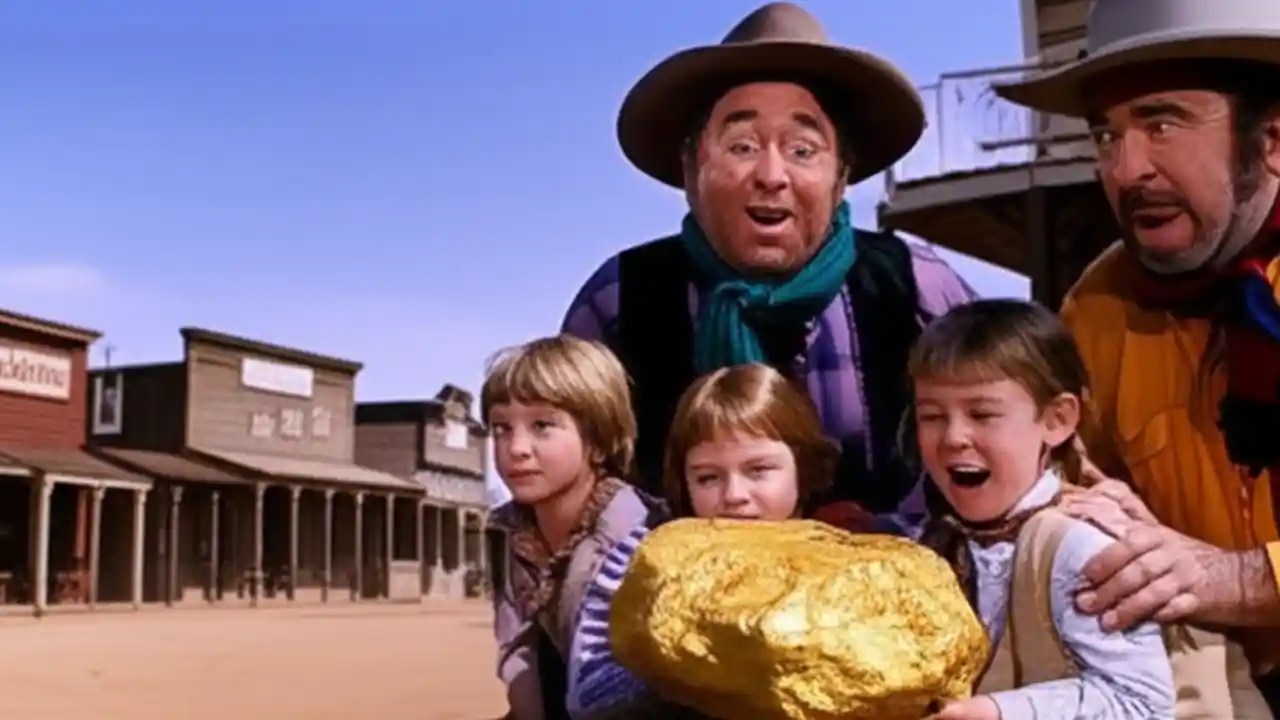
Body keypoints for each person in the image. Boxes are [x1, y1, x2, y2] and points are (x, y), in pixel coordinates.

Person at [561, 2, 976, 534]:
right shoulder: (620, 299)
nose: (772, 175)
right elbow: (566, 486)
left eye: (803, 150)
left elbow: (1012, 437)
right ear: (691, 168)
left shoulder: (917, 286)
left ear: (841, 176)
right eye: (742, 146)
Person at [993, 0, 1280, 706]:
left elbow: (1204, 576)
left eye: (1162, 124)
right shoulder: (1096, 313)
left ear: (1273, 141)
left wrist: (1232, 578)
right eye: (1105, 136)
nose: (1126, 170)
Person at [912, 300, 1175, 720]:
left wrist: (999, 712)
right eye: (932, 416)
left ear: (1056, 420)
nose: (954, 436)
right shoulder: (935, 541)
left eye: (982, 414)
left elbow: (1142, 703)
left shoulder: (1080, 548)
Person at [564, 363, 838, 718]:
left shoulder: (846, 558)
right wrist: (695, 662)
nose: (734, 495)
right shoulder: (641, 560)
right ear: (684, 482)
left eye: (758, 470)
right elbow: (590, 694)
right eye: (709, 478)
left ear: (803, 466)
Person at [484, 335, 666, 720]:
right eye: (501, 428)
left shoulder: (640, 536)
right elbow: (517, 650)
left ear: (597, 442)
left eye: (542, 425)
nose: (516, 448)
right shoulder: (510, 531)